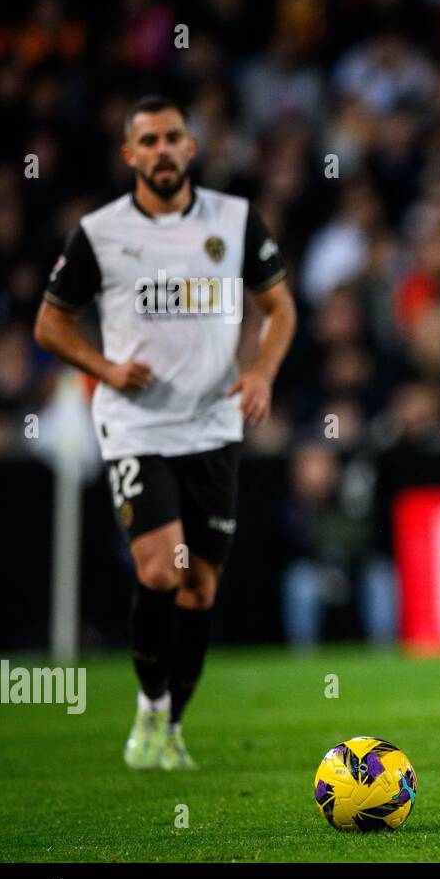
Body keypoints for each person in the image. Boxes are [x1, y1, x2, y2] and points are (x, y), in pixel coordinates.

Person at [34, 95, 296, 770]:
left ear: (191, 147)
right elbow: (51, 324)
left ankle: (172, 725)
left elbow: (280, 307)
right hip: (136, 427)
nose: (161, 149)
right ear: (130, 155)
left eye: (172, 137)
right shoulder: (100, 232)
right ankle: (148, 711)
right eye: (146, 140)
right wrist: (105, 369)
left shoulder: (234, 220)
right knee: (160, 566)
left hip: (213, 426)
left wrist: (261, 373)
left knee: (200, 588)